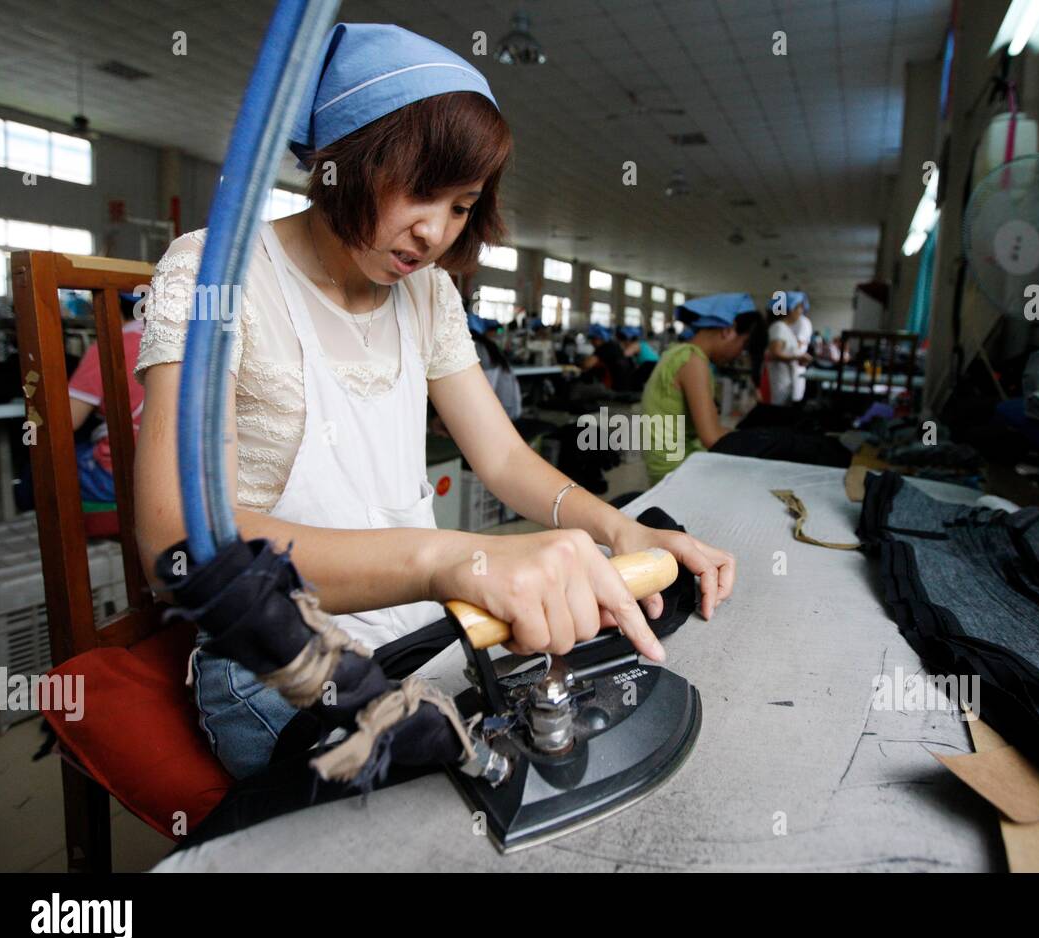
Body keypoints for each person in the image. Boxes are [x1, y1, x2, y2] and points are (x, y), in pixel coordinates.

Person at [132, 24, 734, 779]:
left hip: (419, 632)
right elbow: (175, 541)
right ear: (339, 161)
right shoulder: (216, 272)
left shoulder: (426, 295)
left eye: (461, 206)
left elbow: (505, 459)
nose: (435, 231)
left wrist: (621, 530)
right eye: (421, 191)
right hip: (281, 659)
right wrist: (454, 560)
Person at [640, 293, 760, 485]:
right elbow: (711, 437)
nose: (740, 352)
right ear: (728, 331)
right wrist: (763, 441)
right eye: (743, 343)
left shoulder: (677, 352)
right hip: (676, 472)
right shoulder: (693, 361)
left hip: (668, 466)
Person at [67, 294, 145, 502]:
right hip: (192, 469)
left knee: (44, 466)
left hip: (125, 474)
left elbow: (68, 420)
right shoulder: (189, 340)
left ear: (114, 304)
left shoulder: (110, 347)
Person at [764, 291, 812, 406]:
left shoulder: (785, 328)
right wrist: (798, 357)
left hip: (787, 382)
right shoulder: (778, 327)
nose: (801, 312)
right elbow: (774, 353)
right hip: (780, 382)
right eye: (799, 308)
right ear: (790, 310)